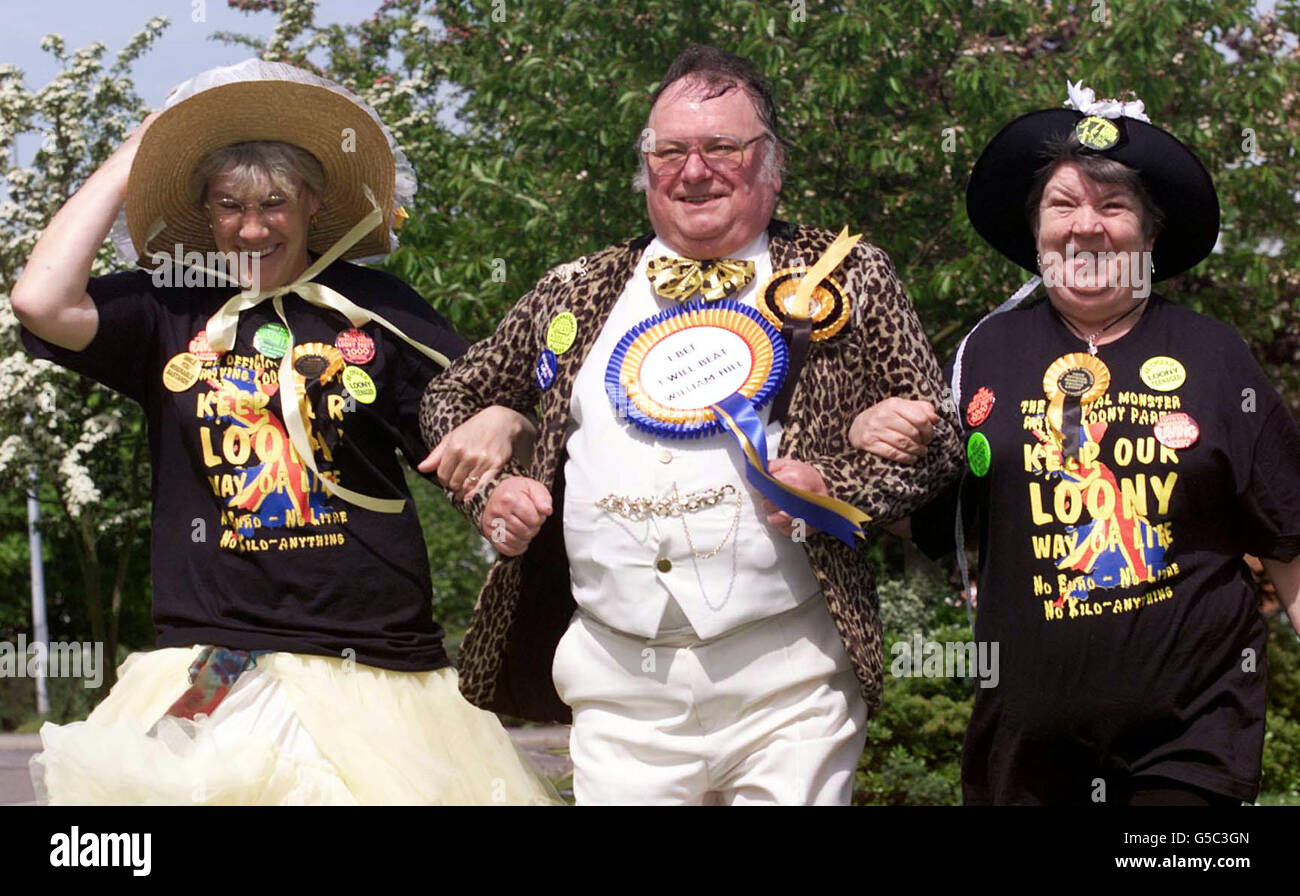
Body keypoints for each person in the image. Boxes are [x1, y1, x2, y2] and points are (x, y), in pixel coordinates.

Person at [419, 45, 962, 805]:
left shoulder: (847, 273)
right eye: (670, 151)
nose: (694, 170)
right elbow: (448, 399)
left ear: (770, 166)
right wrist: (491, 490)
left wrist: (832, 485)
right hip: (619, 691)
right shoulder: (575, 290)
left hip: (793, 686)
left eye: (722, 149)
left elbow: (941, 443)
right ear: (646, 167)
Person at [11, 59, 555, 805]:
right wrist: (142, 148)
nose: (253, 225)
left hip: (375, 668)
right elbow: (40, 299)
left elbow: (478, 430)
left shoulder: (375, 307)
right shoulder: (167, 308)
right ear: (205, 212)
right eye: (229, 203)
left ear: (313, 203)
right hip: (216, 661)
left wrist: (507, 421)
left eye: (274, 202)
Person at [851, 82, 1300, 805]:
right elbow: (938, 522)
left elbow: (1287, 534)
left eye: (1113, 206)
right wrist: (866, 446)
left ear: (1148, 236)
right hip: (1025, 748)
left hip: (1191, 744)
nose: (1085, 226)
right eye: (1063, 205)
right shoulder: (984, 352)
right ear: (1036, 230)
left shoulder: (1213, 355)